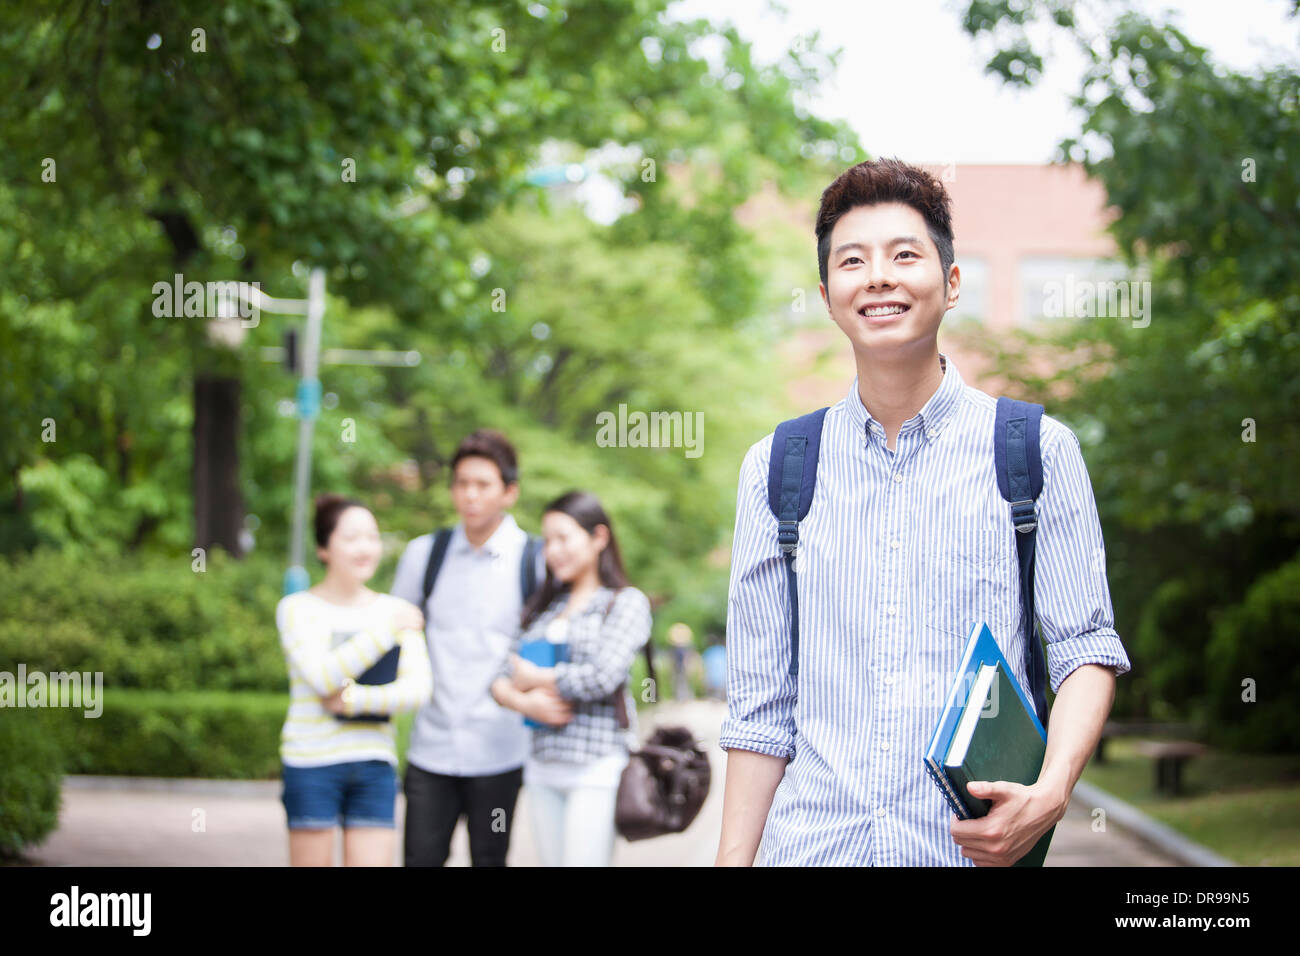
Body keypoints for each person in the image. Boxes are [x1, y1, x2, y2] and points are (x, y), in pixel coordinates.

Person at [715, 157, 1133, 867]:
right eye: (853, 260)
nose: (877, 276)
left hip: (962, 854)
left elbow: (1084, 649)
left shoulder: (1036, 452)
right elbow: (759, 709)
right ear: (827, 294)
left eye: (904, 255)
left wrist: (1053, 790)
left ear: (951, 282)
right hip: (814, 849)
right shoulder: (778, 468)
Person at [390, 430, 544, 867]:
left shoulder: (533, 558)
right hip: (431, 748)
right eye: (461, 483)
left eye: (483, 485)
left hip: (500, 749)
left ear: (509, 492)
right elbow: (397, 631)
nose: (469, 495)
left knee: (490, 859)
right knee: (420, 858)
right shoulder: (424, 554)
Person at [490, 491, 652, 867]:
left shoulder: (624, 602)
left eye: (564, 538)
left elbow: (603, 676)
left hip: (595, 766)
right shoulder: (543, 608)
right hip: (543, 766)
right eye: (547, 541)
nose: (553, 551)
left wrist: (537, 678)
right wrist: (522, 701)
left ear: (598, 537)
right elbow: (501, 674)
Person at [277, 494, 434, 867]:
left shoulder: (395, 610)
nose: (365, 547)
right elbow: (321, 677)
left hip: (374, 763)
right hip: (310, 762)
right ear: (323, 547)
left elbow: (418, 690)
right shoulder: (298, 609)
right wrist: (383, 632)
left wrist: (354, 700)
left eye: (372, 536)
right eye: (351, 537)